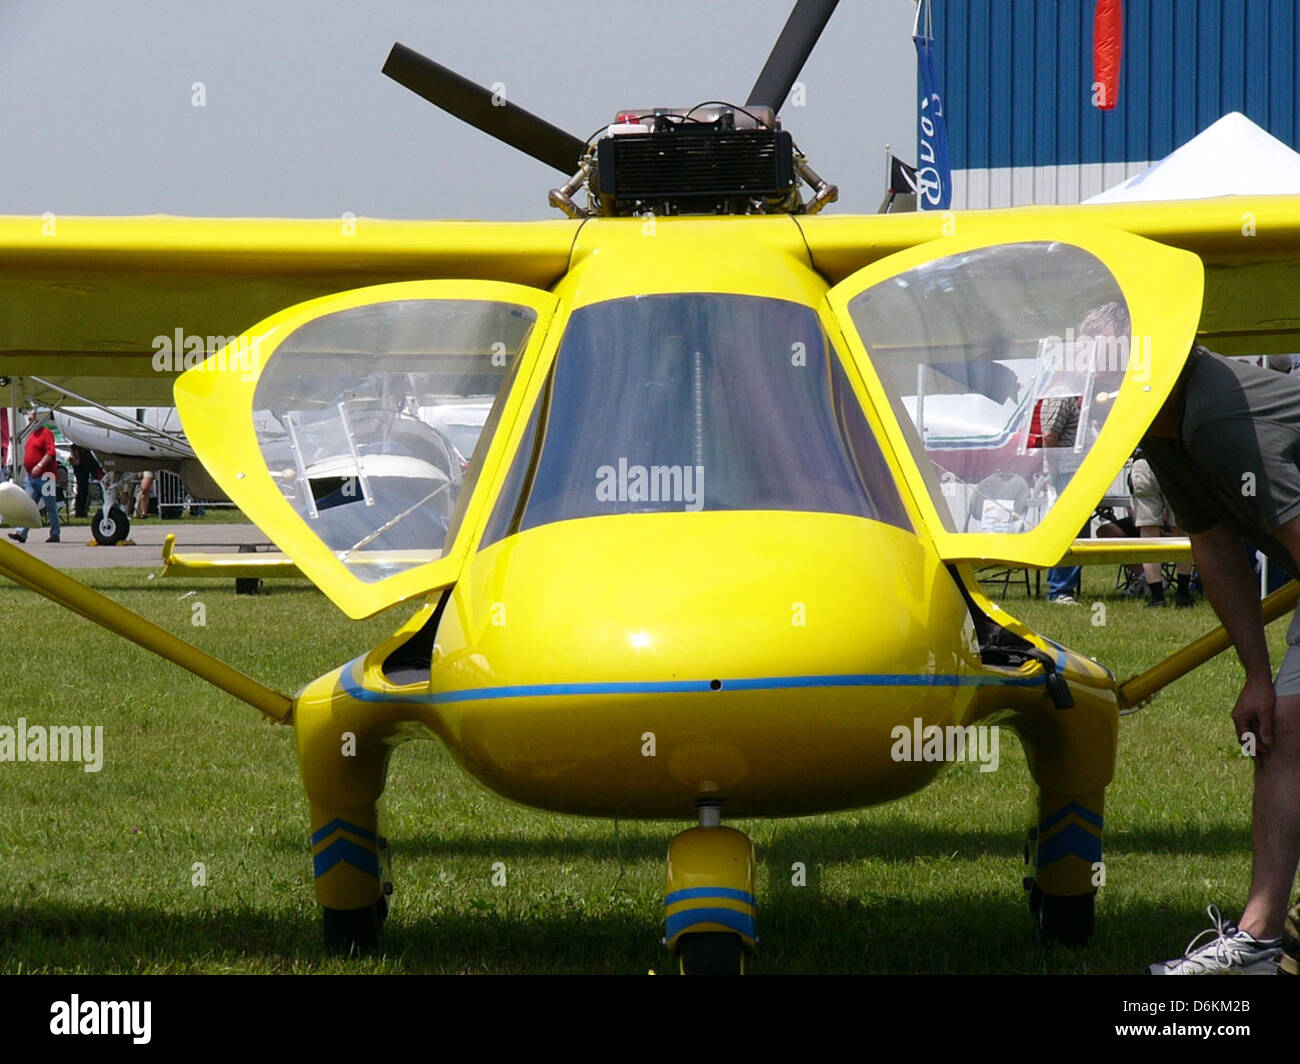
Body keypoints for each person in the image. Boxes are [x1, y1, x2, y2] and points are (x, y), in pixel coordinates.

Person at [1141, 344, 1300, 975]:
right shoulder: (1158, 422)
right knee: (1284, 730)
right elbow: (1213, 543)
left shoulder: (1212, 418)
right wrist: (1257, 678)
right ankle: (1259, 943)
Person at [1127, 452, 1195, 607]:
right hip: (1175, 460)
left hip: (1144, 462)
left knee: (1149, 537)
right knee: (1181, 532)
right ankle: (1183, 594)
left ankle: (1157, 597)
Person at [7, 408, 61, 544]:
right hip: (32, 477)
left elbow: (51, 452)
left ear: (38, 420)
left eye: (32, 419)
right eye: (29, 419)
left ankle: (55, 533)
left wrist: (40, 465)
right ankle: (21, 532)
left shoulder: (46, 433)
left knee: (50, 506)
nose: (30, 422)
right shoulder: (31, 435)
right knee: (27, 505)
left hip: (46, 476)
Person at [67, 443, 102, 518]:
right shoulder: (78, 447)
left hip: (84, 467)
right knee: (82, 490)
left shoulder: (83, 448)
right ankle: (80, 512)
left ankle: (82, 511)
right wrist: (77, 461)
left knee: (83, 491)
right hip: (81, 468)